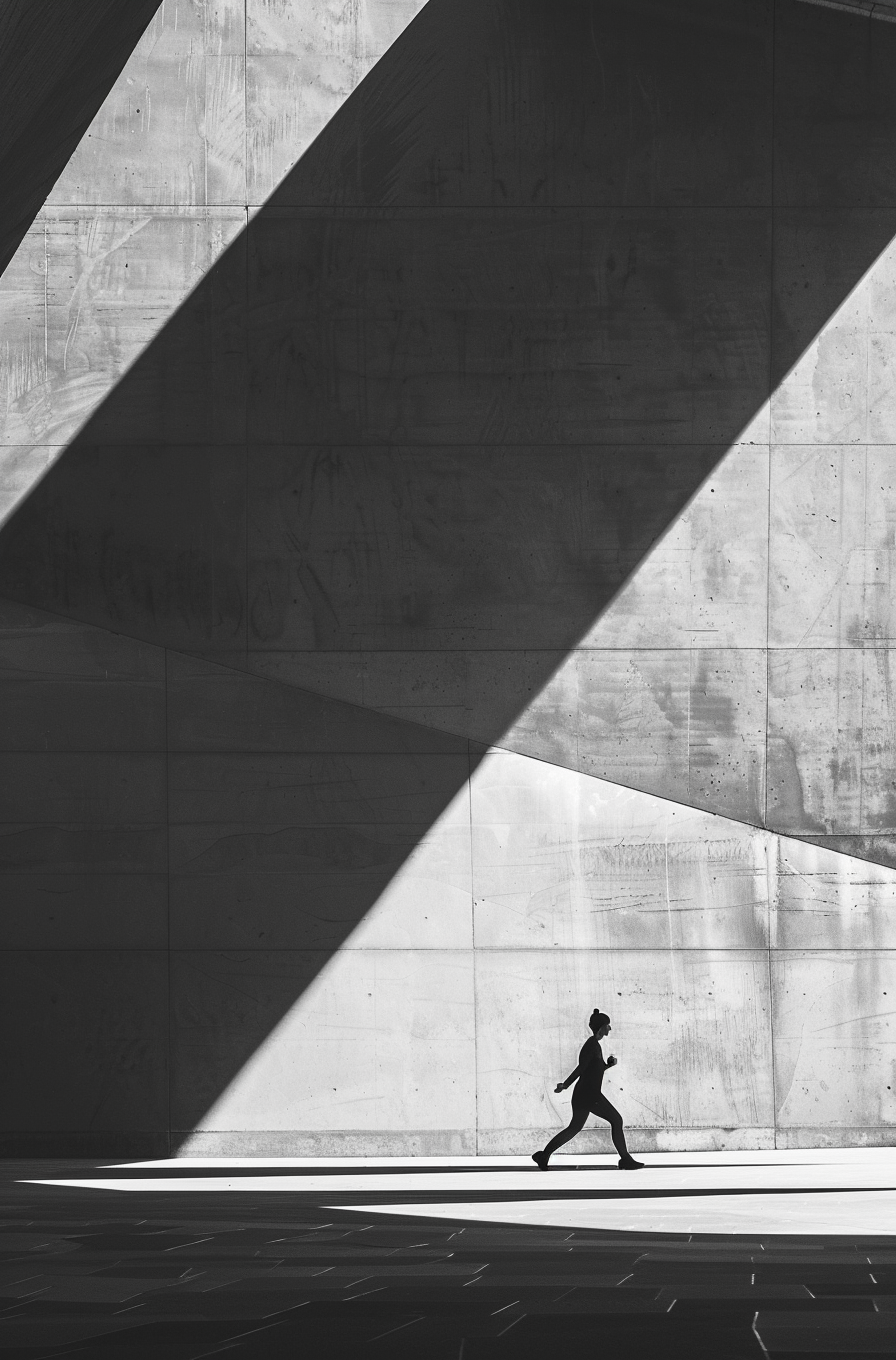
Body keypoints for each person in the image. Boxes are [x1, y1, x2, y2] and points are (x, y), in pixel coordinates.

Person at [532, 1009, 644, 1170]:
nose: (610, 1029)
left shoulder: (595, 1045)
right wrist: (565, 1084)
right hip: (589, 1095)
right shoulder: (591, 1045)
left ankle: (544, 1155)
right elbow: (581, 1068)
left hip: (585, 1094)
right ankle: (625, 1159)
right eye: (608, 1025)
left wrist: (607, 1065)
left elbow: (593, 1070)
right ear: (601, 1027)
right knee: (616, 1120)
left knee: (574, 1127)